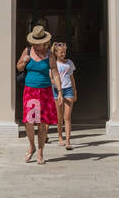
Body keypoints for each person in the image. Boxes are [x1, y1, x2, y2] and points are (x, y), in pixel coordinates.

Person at [16, 25, 63, 164]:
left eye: (39, 43)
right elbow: (18, 67)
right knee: (29, 122)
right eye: (34, 42)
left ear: (45, 42)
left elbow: (55, 72)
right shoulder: (28, 50)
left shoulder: (50, 54)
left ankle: (41, 152)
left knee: (42, 124)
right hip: (30, 90)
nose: (36, 45)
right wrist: (24, 62)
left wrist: (59, 92)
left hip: (45, 92)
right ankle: (32, 146)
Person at [51, 41, 77, 149]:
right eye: (61, 52)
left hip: (68, 90)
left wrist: (74, 91)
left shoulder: (69, 63)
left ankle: (68, 141)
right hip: (57, 91)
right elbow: (51, 78)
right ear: (56, 53)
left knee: (67, 117)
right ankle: (60, 137)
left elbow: (71, 77)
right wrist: (58, 87)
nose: (63, 54)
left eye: (64, 52)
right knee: (59, 116)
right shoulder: (53, 64)